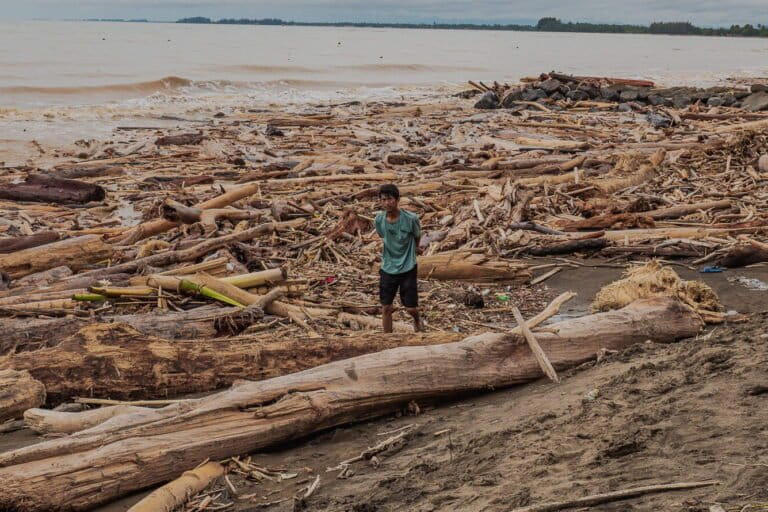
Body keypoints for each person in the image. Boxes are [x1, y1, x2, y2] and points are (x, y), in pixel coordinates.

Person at [375, 183, 424, 333]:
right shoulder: (379, 220)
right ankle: (387, 339)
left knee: (410, 308)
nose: (387, 203)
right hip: (388, 267)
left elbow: (417, 235)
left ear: (397, 200)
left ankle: (417, 319)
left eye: (390, 199)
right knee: (386, 307)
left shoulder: (410, 219)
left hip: (408, 267)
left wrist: (415, 249)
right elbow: (382, 235)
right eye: (383, 200)